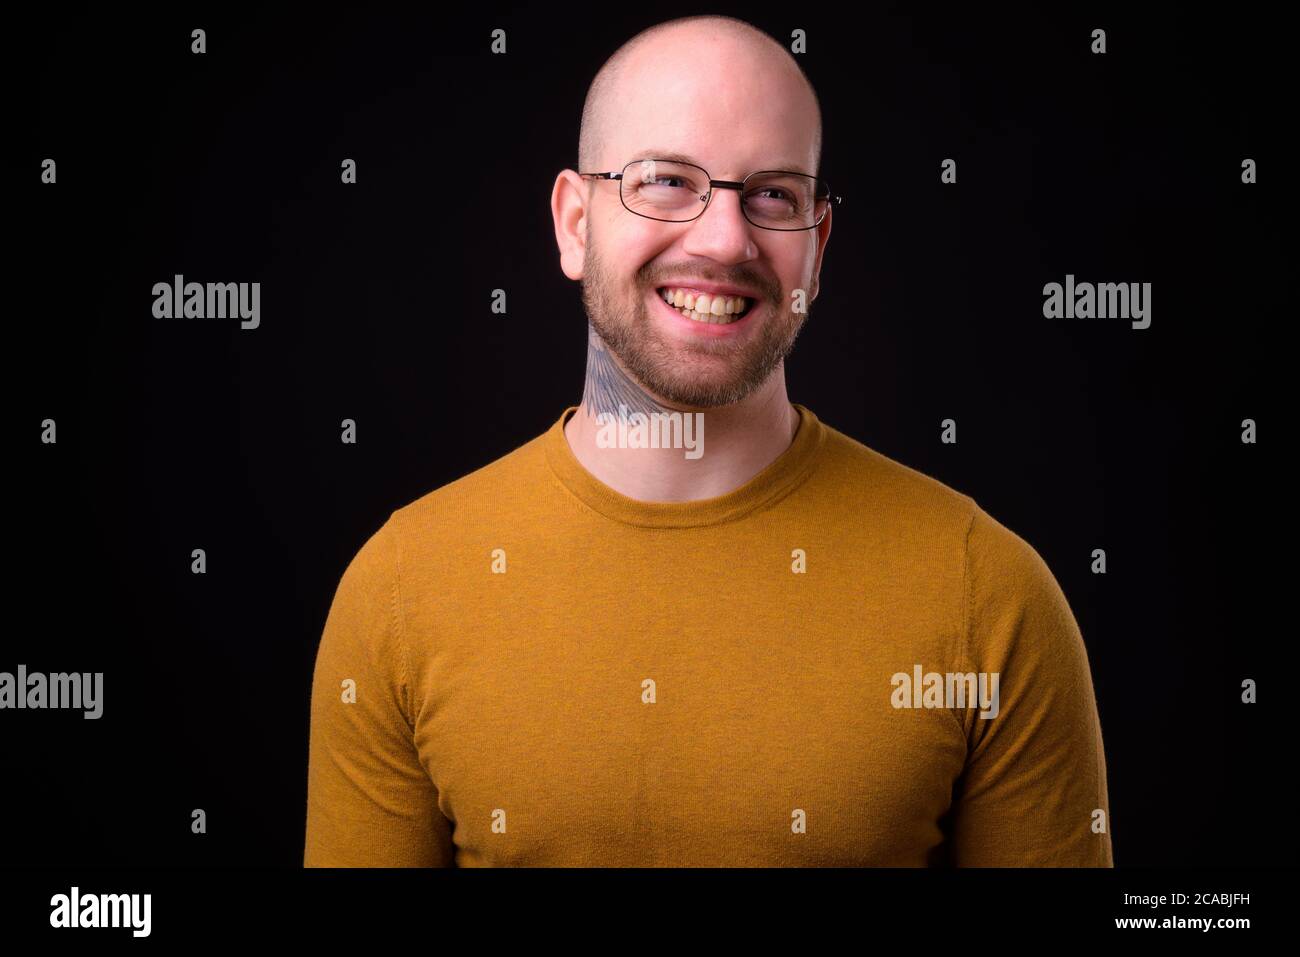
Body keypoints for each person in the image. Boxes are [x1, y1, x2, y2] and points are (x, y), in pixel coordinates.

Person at [304, 14, 1113, 867]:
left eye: (772, 195)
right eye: (663, 181)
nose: (725, 239)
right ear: (574, 224)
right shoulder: (400, 590)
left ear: (818, 243)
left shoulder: (988, 595)